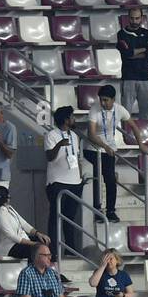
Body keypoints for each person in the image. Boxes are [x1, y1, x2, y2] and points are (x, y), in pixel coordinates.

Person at [86, 85, 145, 222]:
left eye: (106, 100)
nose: (103, 103)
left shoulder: (119, 109)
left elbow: (134, 127)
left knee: (111, 180)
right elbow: (91, 134)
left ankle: (111, 211)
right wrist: (104, 146)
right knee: (96, 179)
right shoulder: (94, 109)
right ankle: (96, 210)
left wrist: (141, 144)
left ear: (113, 99)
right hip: (93, 149)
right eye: (101, 100)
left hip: (109, 149)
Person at [44, 107, 85, 255]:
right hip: (57, 182)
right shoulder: (51, 135)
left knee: (70, 218)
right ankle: (53, 250)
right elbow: (49, 157)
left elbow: (77, 157)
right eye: (72, 117)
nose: (74, 120)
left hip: (74, 182)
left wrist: (80, 178)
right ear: (66, 120)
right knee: (55, 217)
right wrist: (58, 145)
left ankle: (70, 249)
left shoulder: (74, 135)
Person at [15, 244, 83, 297]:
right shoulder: (26, 273)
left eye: (49, 255)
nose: (49, 258)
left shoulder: (53, 273)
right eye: (46, 255)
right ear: (36, 257)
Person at [0, 185, 48, 260]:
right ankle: (33, 270)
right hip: (9, 247)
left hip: (20, 241)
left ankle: (46, 269)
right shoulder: (0, 216)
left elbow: (24, 224)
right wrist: (33, 244)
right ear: (6, 198)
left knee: (43, 241)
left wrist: (38, 233)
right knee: (33, 250)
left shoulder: (10, 209)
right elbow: (13, 236)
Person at [116, 7, 148, 122]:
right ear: (128, 18)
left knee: (146, 114)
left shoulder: (147, 33)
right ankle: (125, 139)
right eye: (132, 18)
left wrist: (134, 52)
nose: (134, 21)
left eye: (137, 18)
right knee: (125, 115)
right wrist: (143, 50)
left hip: (145, 77)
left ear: (141, 18)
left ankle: (145, 137)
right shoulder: (122, 34)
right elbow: (127, 53)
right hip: (128, 77)